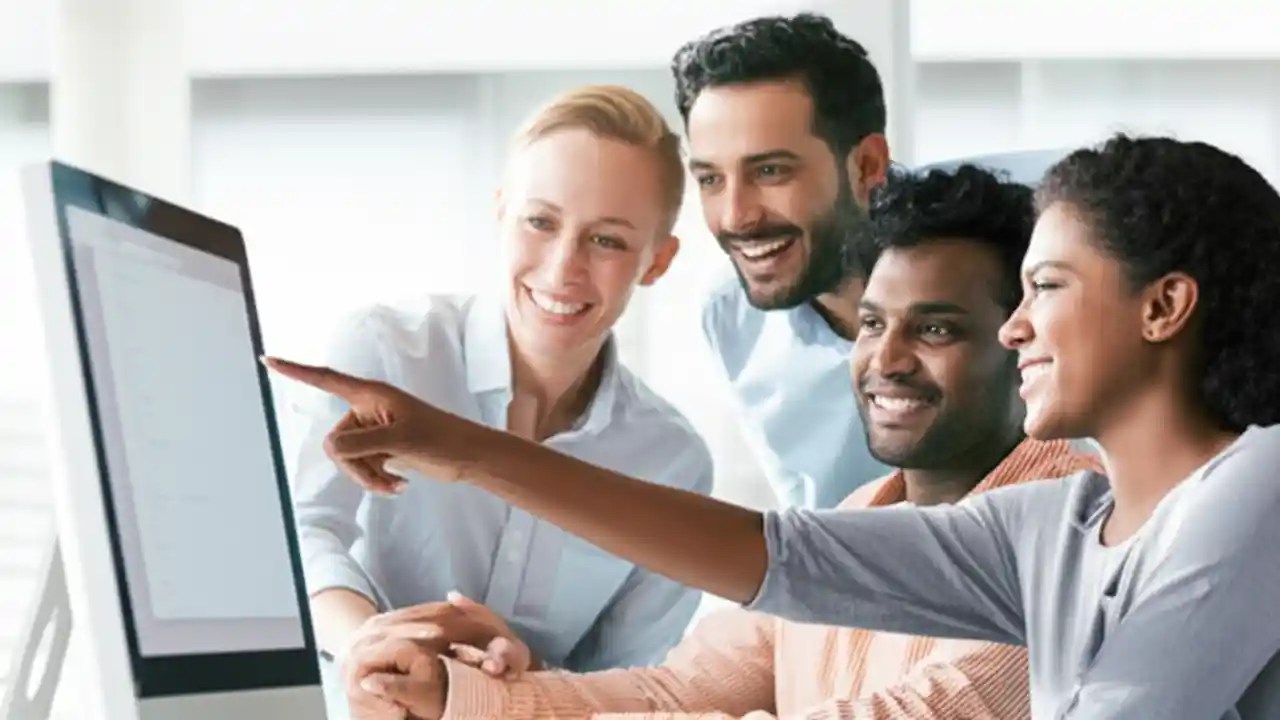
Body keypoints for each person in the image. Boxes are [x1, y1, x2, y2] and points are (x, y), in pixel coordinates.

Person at [267, 133, 1280, 719]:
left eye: (1046, 288)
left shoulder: (1257, 485)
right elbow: (768, 557)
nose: (1021, 326)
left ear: (1162, 308)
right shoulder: (1051, 526)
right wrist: (474, 454)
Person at [286, 84, 714, 718]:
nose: (564, 267)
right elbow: (302, 531)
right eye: (540, 221)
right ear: (499, 213)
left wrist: (523, 676)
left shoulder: (673, 464)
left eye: (609, 241)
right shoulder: (386, 353)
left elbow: (633, 689)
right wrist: (371, 650)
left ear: (658, 261)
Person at [674, 13, 894, 508]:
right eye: (710, 179)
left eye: (770, 171)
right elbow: (810, 531)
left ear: (866, 166)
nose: (736, 217)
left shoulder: (1009, 270)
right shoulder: (730, 314)